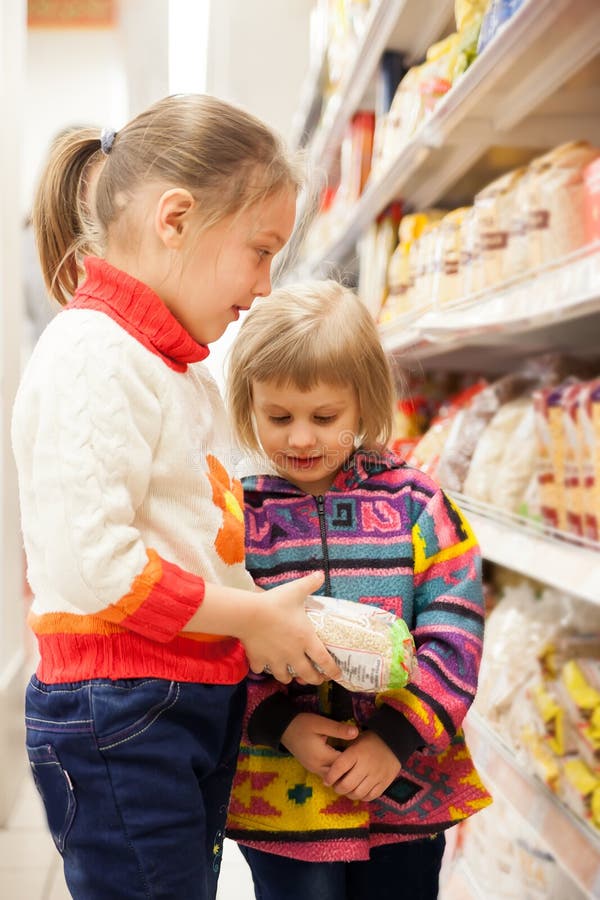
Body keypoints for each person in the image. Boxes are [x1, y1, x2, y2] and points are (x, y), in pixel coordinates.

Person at [11, 95, 341, 900]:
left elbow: (187, 532)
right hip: (123, 707)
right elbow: (97, 568)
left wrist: (260, 615)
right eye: (260, 251)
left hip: (173, 700)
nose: (266, 286)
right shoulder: (95, 353)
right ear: (176, 219)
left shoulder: (176, 367)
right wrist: (253, 618)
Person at [225, 280, 492, 900]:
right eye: (277, 417)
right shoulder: (239, 517)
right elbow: (222, 638)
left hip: (404, 790)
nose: (300, 439)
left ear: (365, 403)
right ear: (248, 404)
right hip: (282, 798)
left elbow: (456, 631)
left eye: (324, 417)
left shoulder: (417, 506)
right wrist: (278, 721)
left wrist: (396, 739)